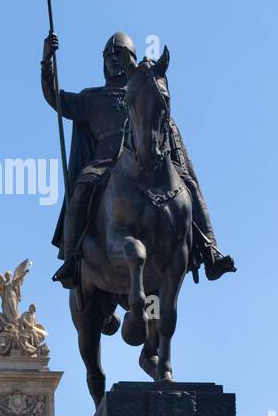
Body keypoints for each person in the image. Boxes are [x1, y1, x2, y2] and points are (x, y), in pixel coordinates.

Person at [41, 30, 235, 287]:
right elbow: (56, 98)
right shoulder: (92, 97)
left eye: (120, 55)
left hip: (151, 158)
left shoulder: (147, 91)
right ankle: (73, 259)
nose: (114, 60)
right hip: (105, 163)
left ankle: (209, 248)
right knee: (82, 187)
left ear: (131, 60)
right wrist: (47, 60)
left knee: (188, 182)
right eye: (109, 56)